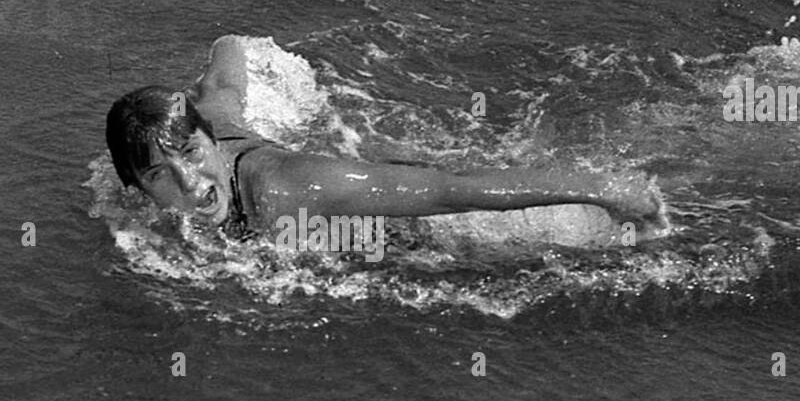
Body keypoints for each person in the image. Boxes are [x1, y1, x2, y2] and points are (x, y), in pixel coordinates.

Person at [105, 36, 667, 240]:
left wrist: (603, 189)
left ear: (212, 141)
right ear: (135, 186)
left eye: (190, 154)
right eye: (158, 175)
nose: (189, 182)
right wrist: (228, 42)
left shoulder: (290, 188)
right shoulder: (205, 121)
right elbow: (222, 73)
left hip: (370, 202)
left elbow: (451, 189)